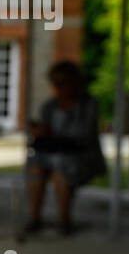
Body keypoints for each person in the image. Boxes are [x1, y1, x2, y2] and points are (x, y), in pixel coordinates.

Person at [21, 60, 106, 239]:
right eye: (56, 84)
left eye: (63, 83)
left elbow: (82, 137)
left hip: (81, 157)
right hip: (54, 155)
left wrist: (50, 133)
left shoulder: (88, 105)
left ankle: (64, 220)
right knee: (35, 165)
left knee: (62, 168)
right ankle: (34, 217)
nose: (59, 88)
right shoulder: (50, 106)